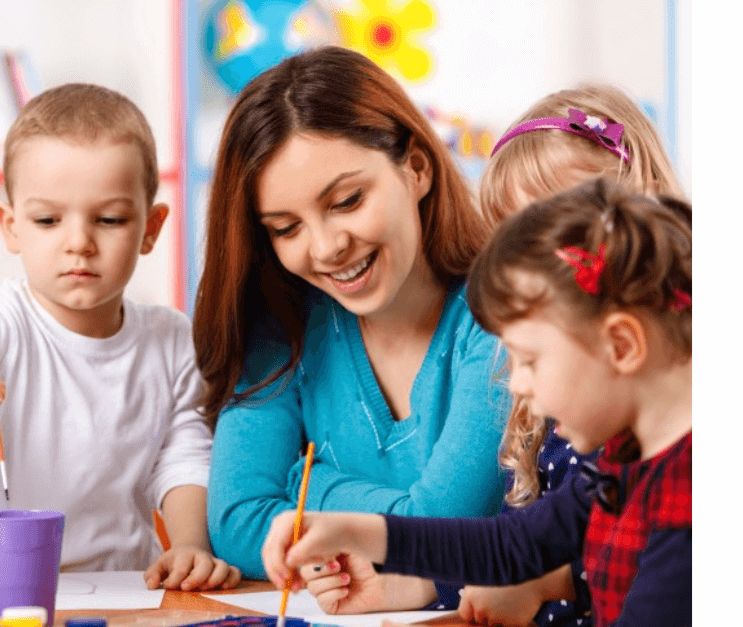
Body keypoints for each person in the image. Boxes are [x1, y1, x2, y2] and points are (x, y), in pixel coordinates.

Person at [262, 179, 692, 627]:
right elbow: (514, 546)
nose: (517, 385)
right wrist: (350, 529)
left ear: (621, 346)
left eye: (528, 360)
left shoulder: (687, 509)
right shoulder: (624, 466)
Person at [0, 83, 241, 591]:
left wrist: (189, 547)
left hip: (126, 586)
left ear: (151, 228)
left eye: (109, 219)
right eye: (48, 220)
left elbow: (186, 459)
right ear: (10, 226)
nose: (79, 243)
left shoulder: (172, 339)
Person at [193, 45, 509, 610]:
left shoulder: (499, 322)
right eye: (286, 228)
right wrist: (389, 522)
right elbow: (237, 522)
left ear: (416, 168)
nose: (326, 247)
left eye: (347, 201)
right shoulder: (283, 329)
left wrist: (303, 488)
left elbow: (442, 532)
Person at [446, 83, 688, 627]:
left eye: (549, 231)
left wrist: (544, 585)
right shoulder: (546, 374)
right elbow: (525, 543)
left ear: (636, 206)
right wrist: (401, 574)